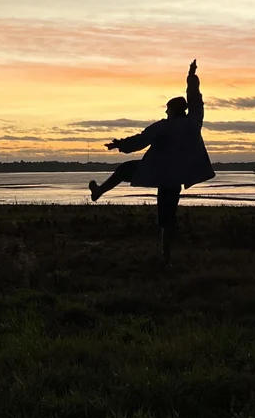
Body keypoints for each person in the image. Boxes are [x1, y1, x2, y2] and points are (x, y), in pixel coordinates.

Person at [89, 59, 215, 264]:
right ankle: (166, 257)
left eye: (167, 109)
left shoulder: (164, 127)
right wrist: (191, 77)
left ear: (173, 110)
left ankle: (99, 192)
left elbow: (140, 140)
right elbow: (195, 100)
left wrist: (119, 144)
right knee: (168, 218)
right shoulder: (194, 122)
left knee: (123, 171)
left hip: (159, 172)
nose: (165, 112)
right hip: (175, 176)